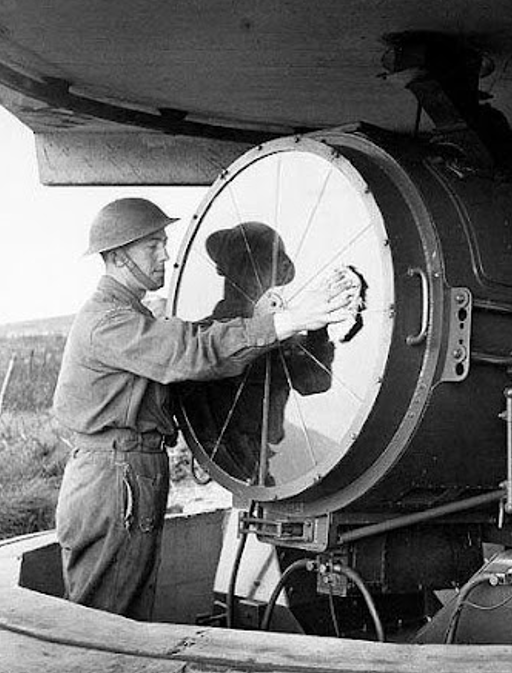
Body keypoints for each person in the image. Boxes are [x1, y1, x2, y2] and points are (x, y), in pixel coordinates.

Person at [53, 198, 353, 620]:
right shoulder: (111, 321)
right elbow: (190, 351)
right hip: (115, 476)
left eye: (164, 243)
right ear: (118, 256)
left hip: (127, 470)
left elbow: (195, 338)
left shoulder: (130, 315)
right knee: (109, 619)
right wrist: (285, 322)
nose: (165, 255)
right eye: (153, 246)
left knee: (123, 610)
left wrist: (292, 324)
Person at [177, 221, 336, 484]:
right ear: (227, 270)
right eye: (245, 265)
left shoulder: (280, 337)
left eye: (261, 267)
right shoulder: (204, 337)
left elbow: (314, 382)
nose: (254, 276)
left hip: (262, 469)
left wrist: (318, 328)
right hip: (230, 466)